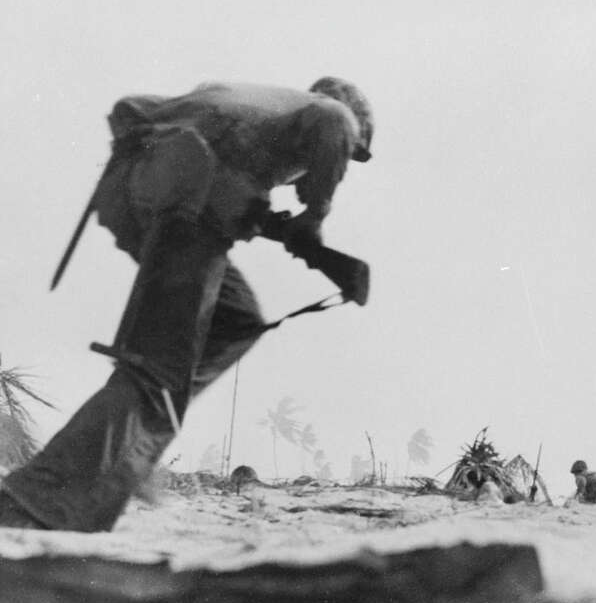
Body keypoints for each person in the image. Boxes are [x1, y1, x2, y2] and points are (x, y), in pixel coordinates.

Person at [0, 78, 374, 531]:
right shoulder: (329, 112)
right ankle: (37, 500)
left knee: (236, 320)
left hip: (145, 195)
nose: (340, 161)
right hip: (185, 209)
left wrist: (297, 241)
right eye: (351, 153)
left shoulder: (250, 114)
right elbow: (334, 122)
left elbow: (140, 115)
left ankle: (132, 448)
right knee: (159, 370)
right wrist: (314, 219)